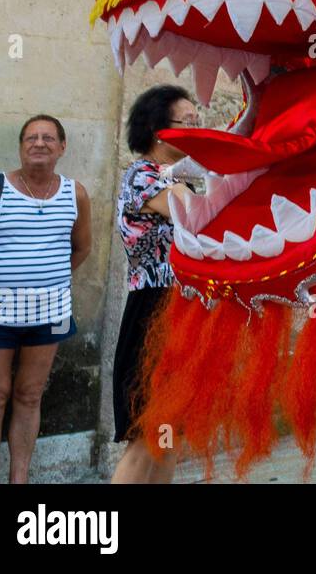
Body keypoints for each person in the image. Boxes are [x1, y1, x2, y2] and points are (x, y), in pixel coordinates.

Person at [0, 115, 91, 483]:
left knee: (30, 394)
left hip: (51, 313)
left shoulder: (76, 193)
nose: (39, 143)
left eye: (48, 138)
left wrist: (47, 279)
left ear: (62, 147)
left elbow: (82, 248)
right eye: (31, 138)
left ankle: (19, 479)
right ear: (21, 146)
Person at [109, 85, 198, 484]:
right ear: (158, 129)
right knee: (146, 432)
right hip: (153, 312)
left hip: (181, 309)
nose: (197, 130)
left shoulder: (176, 176)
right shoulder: (143, 176)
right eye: (189, 123)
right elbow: (192, 213)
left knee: (168, 434)